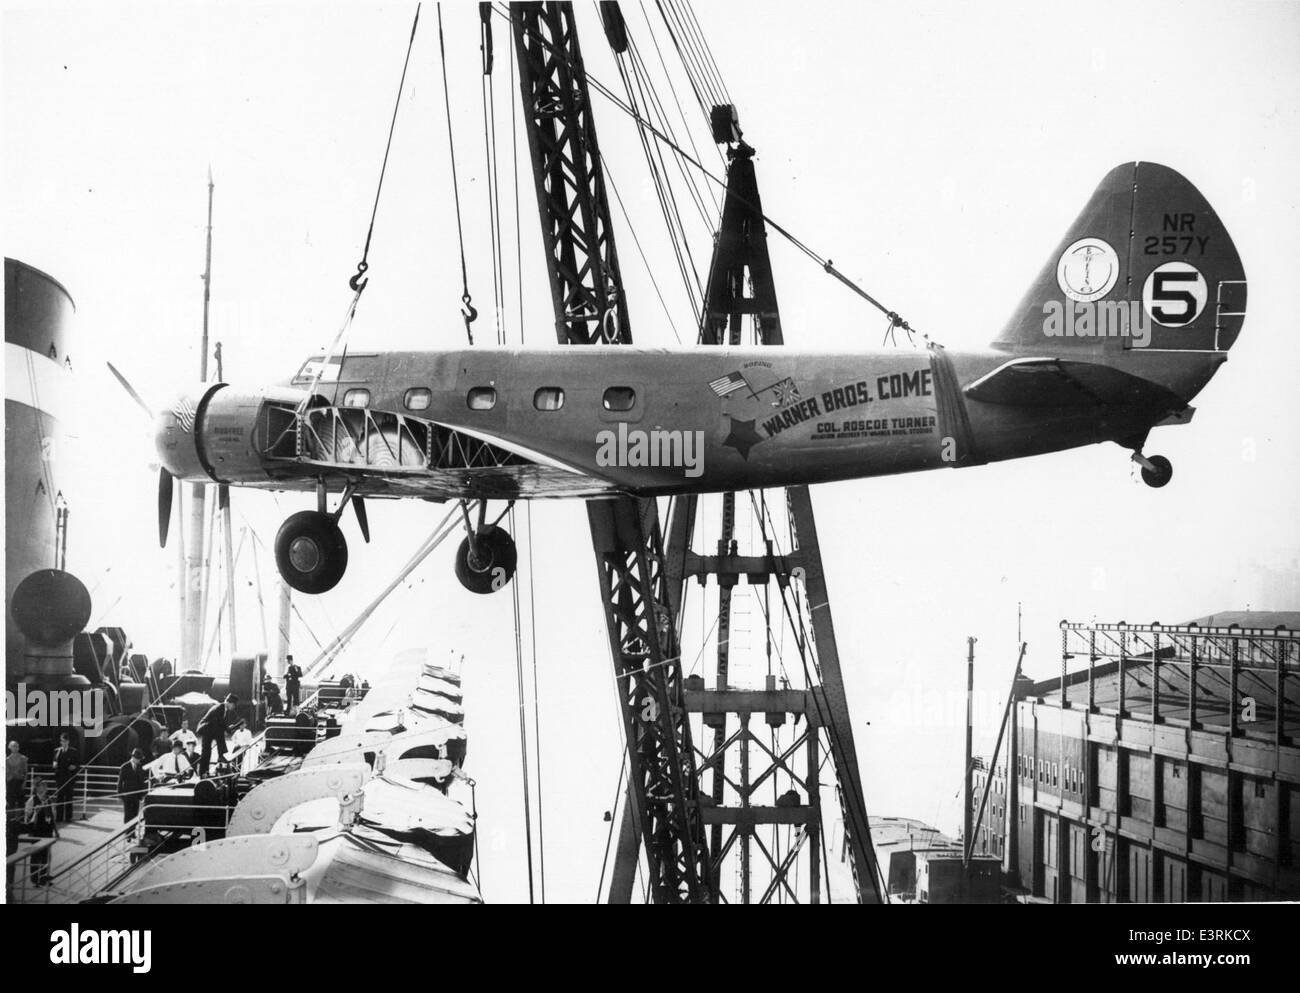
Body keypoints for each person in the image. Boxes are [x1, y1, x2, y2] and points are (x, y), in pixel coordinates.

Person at [24, 778, 59, 886]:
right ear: (36, 788)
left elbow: (52, 816)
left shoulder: (48, 800)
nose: (44, 788)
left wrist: (56, 831)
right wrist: (35, 812)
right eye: (41, 786)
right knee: (36, 856)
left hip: (47, 831)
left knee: (45, 855)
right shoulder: (32, 800)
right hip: (36, 832)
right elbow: (27, 818)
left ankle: (44, 877)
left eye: (45, 786)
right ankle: (35, 879)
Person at [196, 694, 238, 777]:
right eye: (233, 705)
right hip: (206, 728)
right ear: (229, 703)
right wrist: (226, 729)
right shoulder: (219, 708)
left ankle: (221, 755)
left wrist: (227, 729)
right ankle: (203, 772)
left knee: (209, 749)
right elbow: (218, 723)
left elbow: (221, 723)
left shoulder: (224, 709)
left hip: (211, 728)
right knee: (206, 751)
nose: (234, 708)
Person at [52, 732, 79, 823]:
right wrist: (54, 764)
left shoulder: (73, 751)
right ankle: (59, 817)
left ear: (68, 742)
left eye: (65, 741)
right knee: (59, 797)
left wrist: (74, 766)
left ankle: (68, 818)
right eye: (62, 741)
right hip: (60, 778)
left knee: (69, 798)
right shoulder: (57, 751)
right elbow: (54, 761)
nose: (63, 743)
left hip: (69, 778)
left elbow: (78, 763)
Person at [117, 748, 148, 822]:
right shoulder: (125, 767)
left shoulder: (140, 767)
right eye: (138, 759)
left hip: (136, 796)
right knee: (128, 815)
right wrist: (120, 795)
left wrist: (143, 794)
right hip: (127, 795)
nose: (139, 760)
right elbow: (120, 782)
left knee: (135, 815)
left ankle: (133, 832)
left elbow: (142, 781)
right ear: (133, 757)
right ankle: (127, 832)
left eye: (139, 759)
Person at [6, 740, 29, 812]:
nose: (15, 748)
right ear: (10, 747)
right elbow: (6, 773)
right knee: (10, 802)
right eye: (13, 746)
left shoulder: (23, 758)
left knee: (21, 802)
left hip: (20, 782)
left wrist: (24, 783)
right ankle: (10, 820)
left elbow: (26, 772)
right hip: (11, 782)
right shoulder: (7, 760)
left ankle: (21, 820)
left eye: (16, 746)